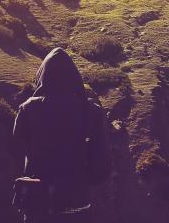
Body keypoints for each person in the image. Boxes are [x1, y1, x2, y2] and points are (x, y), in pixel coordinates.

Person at [11, 47, 110, 222]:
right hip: (77, 202)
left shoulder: (28, 108)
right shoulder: (91, 111)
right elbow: (101, 167)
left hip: (38, 203)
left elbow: (16, 149)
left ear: (42, 75)